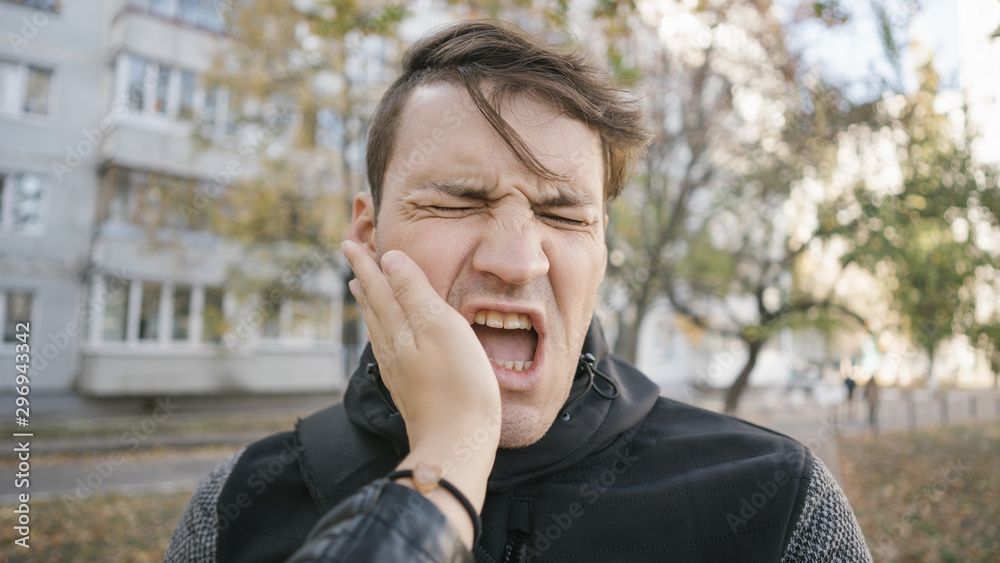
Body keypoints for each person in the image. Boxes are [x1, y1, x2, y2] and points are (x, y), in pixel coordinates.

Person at [165, 20, 871, 562]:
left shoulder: (775, 499)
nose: (515, 259)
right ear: (369, 236)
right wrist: (449, 455)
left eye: (564, 213)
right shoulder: (237, 506)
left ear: (600, 252)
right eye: (459, 201)